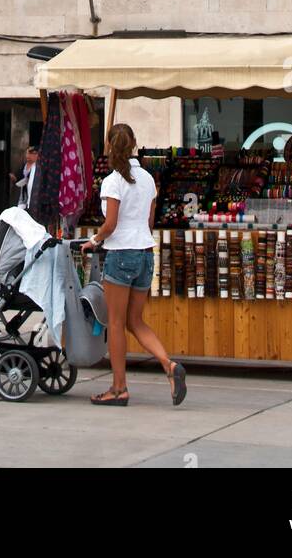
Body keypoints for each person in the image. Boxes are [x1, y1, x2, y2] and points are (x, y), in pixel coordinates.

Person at [83, 124, 186, 407]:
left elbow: (111, 224)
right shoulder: (148, 178)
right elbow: (150, 222)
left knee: (116, 323)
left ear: (109, 147)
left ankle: (119, 388)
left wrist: (94, 240)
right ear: (134, 144)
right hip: (145, 252)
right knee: (135, 320)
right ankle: (168, 365)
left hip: (120, 254)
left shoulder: (113, 181)